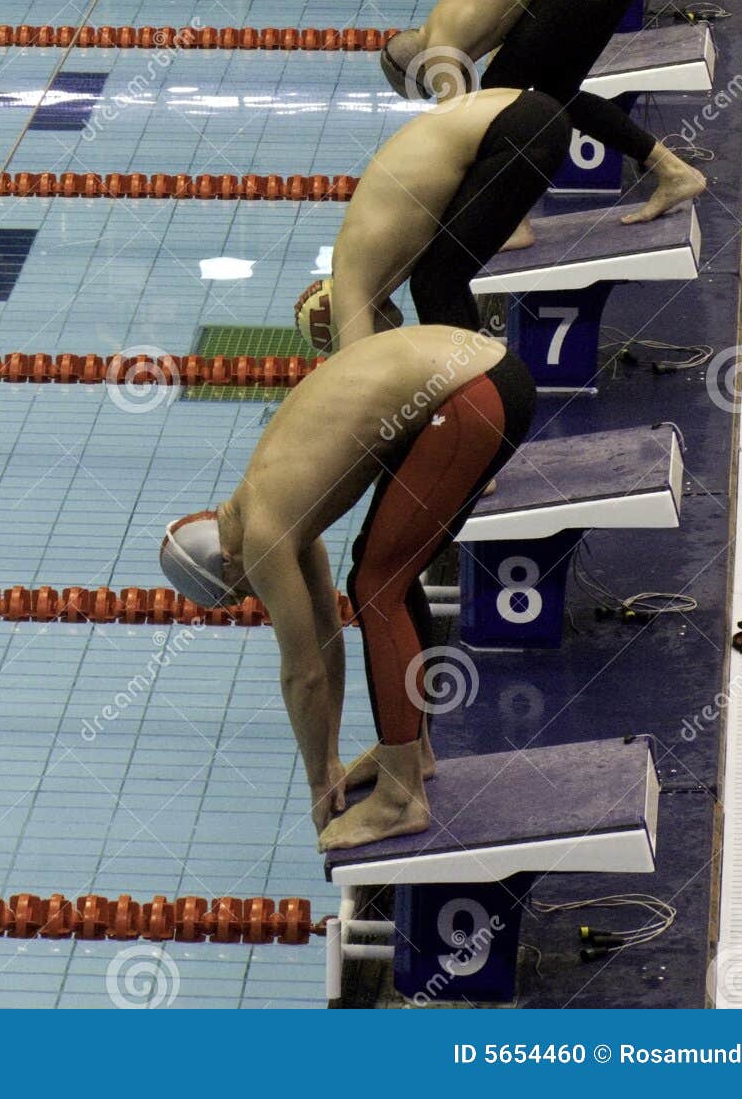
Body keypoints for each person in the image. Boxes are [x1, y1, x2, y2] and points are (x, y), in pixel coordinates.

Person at [160, 325, 538, 849]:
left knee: (377, 589)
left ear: (227, 560)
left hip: (471, 397)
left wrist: (318, 781)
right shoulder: (269, 512)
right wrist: (330, 758)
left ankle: (401, 797)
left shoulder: (264, 536)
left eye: (239, 591)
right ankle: (413, 751)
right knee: (385, 576)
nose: (254, 598)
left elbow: (302, 676)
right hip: (486, 376)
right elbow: (323, 640)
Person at [378, 0, 707, 228]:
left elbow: (456, 139)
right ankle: (674, 171)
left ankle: (513, 225)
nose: (441, 85)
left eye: (432, 85)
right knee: (557, 93)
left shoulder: (441, 48)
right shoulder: (455, 13)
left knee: (498, 104)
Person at [295, 87, 570, 350]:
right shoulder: (369, 265)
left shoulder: (353, 282)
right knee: (437, 277)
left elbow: (355, 367)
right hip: (527, 118)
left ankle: (471, 387)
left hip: (520, 132)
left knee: (435, 285)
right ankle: (477, 376)